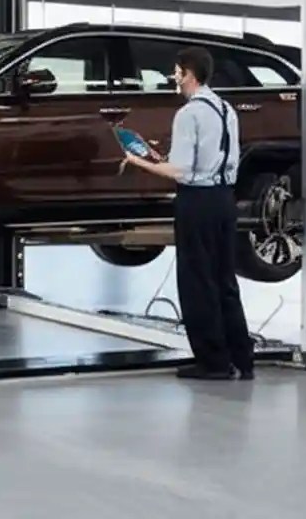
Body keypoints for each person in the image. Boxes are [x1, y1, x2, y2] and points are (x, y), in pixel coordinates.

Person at [123, 46, 254, 381]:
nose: (174, 76)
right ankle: (242, 358)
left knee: (198, 282)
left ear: (189, 74)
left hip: (197, 202)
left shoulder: (188, 114)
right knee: (224, 280)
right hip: (225, 200)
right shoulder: (226, 109)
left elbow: (181, 172)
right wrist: (160, 157)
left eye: (177, 71)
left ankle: (212, 362)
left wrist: (139, 161)